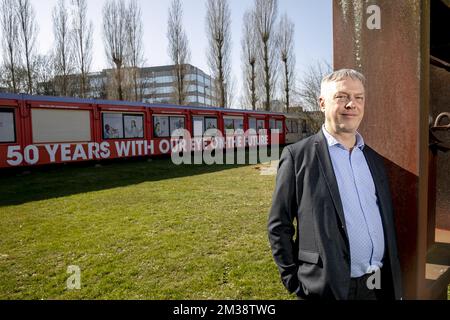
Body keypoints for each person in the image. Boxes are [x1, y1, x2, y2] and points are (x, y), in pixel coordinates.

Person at [267, 69, 402, 300]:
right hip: (327, 286)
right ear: (322, 103)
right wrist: (293, 280)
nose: (352, 104)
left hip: (376, 281)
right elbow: (279, 225)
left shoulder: (374, 159)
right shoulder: (297, 157)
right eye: (341, 97)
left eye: (359, 97)